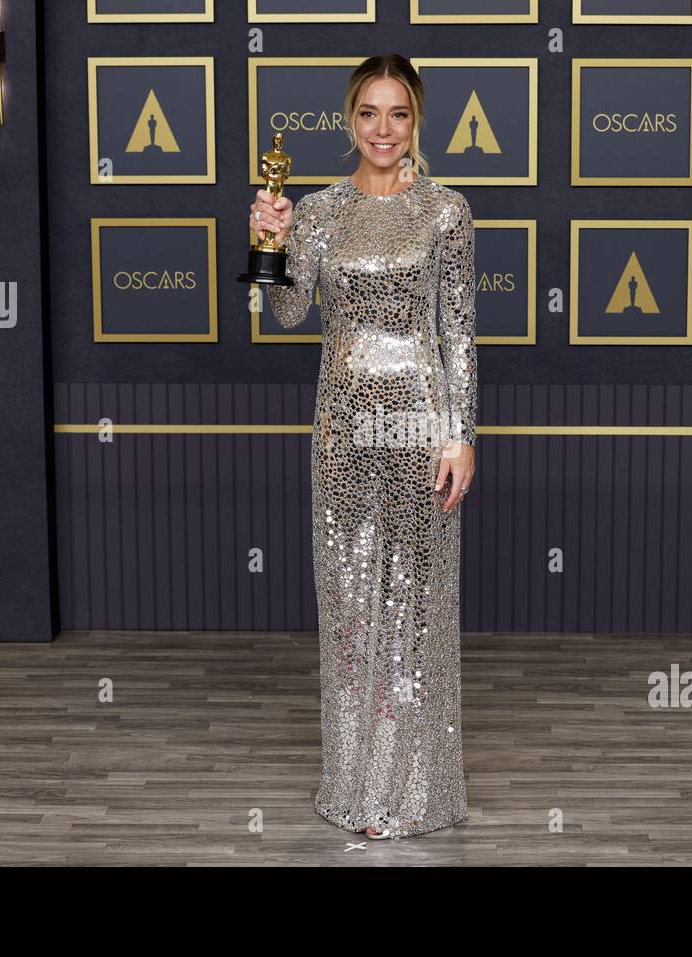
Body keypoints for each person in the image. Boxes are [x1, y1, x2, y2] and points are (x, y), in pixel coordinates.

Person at [247, 54, 477, 841]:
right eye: (371, 114)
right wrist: (269, 244)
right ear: (350, 120)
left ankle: (410, 790)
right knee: (348, 604)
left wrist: (462, 436)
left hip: (420, 425)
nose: (384, 129)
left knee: (413, 607)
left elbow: (459, 334)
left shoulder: (447, 212)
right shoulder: (314, 210)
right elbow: (285, 313)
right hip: (342, 426)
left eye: (399, 114)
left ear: (417, 120)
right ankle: (353, 783)